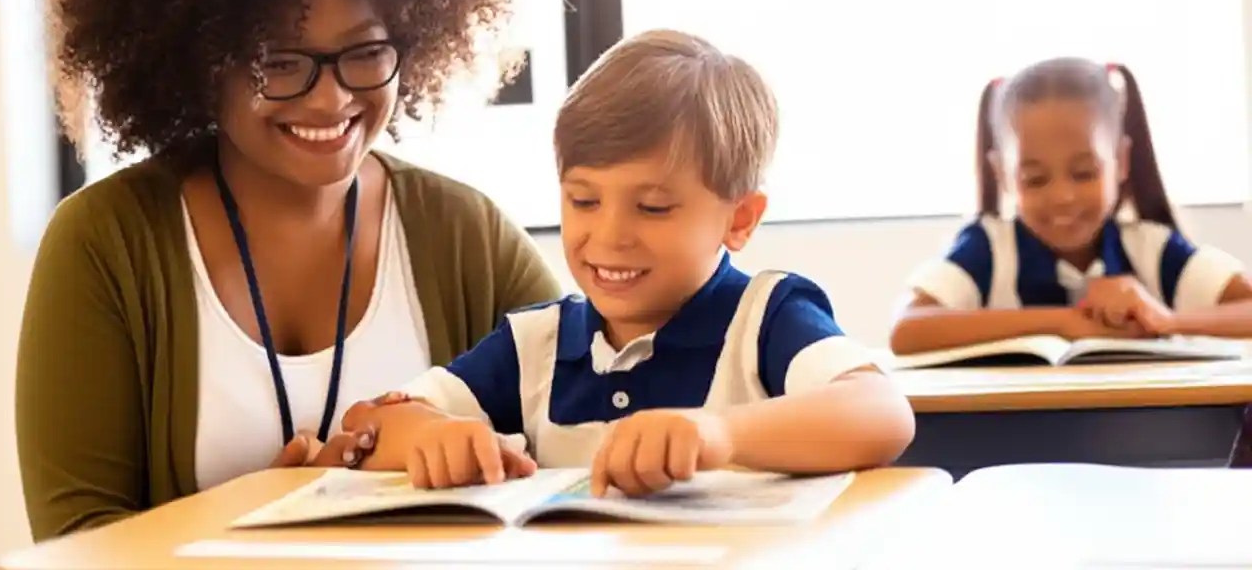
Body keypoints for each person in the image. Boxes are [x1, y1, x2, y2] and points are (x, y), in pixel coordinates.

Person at [17, 0, 560, 541]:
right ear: (197, 56)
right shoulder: (105, 246)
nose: (330, 97)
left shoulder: (466, 236)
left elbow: (586, 446)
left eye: (364, 51)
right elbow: (77, 546)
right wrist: (279, 511)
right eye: (277, 61)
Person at [347, 30, 916, 497]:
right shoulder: (536, 345)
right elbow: (373, 425)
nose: (610, 235)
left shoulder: (766, 318)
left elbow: (882, 413)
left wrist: (721, 433)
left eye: (653, 207)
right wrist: (432, 435)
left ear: (739, 219)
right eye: (583, 200)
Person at [891, 58, 1252, 356]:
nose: (1063, 196)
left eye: (1084, 173)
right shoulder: (988, 249)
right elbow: (907, 330)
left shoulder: (1151, 249)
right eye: (1034, 179)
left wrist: (1165, 320)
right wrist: (1064, 321)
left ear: (1121, 161)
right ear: (1002, 173)